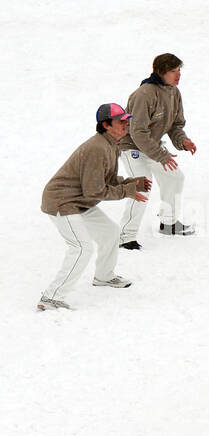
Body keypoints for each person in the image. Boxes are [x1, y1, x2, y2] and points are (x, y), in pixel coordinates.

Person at [38, 104, 150, 310]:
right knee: (81, 248)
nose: (126, 124)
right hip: (63, 201)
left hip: (80, 200)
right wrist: (128, 191)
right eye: (121, 121)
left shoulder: (111, 144)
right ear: (106, 125)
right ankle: (51, 298)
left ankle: (104, 277)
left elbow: (104, 179)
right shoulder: (97, 147)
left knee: (110, 233)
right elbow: (95, 191)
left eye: (127, 120)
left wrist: (130, 182)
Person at [116, 53, 196, 250]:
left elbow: (175, 125)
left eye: (179, 70)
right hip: (132, 147)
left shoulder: (174, 93)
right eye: (172, 71)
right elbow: (137, 132)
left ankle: (168, 223)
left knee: (175, 178)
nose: (178, 75)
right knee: (142, 186)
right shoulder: (144, 94)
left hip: (152, 146)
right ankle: (126, 237)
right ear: (160, 72)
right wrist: (161, 155)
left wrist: (182, 140)